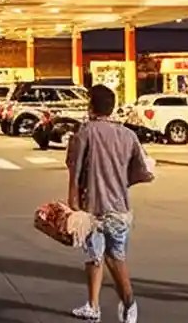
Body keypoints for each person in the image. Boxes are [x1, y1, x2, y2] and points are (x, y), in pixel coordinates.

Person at [66, 84, 155, 322]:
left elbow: (74, 169)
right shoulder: (128, 135)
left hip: (92, 208)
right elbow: (144, 171)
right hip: (119, 208)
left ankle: (124, 302)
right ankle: (101, 306)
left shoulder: (86, 132)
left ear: (91, 105)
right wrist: (121, 182)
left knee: (96, 257)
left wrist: (72, 201)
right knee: (115, 257)